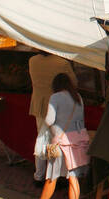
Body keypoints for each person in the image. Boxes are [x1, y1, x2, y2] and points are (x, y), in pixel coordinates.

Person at [22, 74, 88, 199]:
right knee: (73, 177)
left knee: (51, 177)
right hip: (76, 141)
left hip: (59, 142)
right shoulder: (78, 97)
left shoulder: (56, 97)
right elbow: (80, 119)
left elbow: (50, 120)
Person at [28, 52, 78, 186]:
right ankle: (54, 176)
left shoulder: (32, 60)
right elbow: (74, 83)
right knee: (56, 142)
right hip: (57, 107)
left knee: (41, 140)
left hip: (39, 105)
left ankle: (39, 175)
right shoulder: (62, 63)